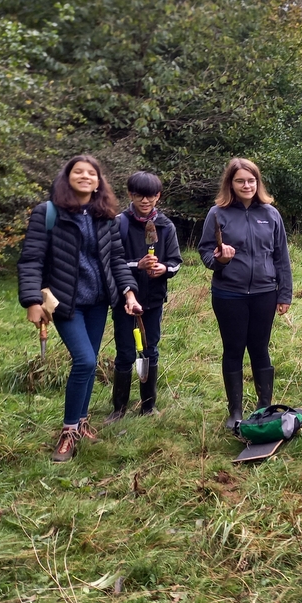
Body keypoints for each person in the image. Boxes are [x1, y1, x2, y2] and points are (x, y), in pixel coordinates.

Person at [18, 155, 142, 462]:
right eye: (78, 172)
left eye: (92, 173)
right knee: (85, 361)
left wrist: (128, 292)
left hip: (99, 302)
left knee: (89, 362)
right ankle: (68, 431)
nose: (85, 176)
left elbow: (115, 259)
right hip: (66, 304)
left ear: (99, 181)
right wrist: (32, 301)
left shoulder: (106, 217)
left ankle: (83, 420)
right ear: (67, 177)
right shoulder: (48, 214)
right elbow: (31, 259)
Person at [198, 158, 293, 429]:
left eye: (251, 180)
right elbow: (205, 251)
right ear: (231, 183)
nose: (246, 185)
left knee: (260, 349)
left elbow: (281, 256)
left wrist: (284, 293)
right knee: (234, 349)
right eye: (240, 181)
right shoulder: (217, 213)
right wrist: (221, 260)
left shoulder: (271, 214)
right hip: (229, 293)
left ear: (257, 182)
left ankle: (264, 407)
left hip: (264, 292)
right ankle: (235, 411)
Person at [106, 171, 182, 422]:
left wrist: (163, 270)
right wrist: (136, 265)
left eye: (151, 196)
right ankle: (119, 409)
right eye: (139, 195)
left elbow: (175, 263)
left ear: (158, 196)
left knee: (150, 351)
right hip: (125, 300)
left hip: (154, 300)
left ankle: (148, 406)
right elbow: (111, 262)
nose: (145, 201)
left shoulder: (165, 226)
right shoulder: (119, 223)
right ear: (130, 195)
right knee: (125, 352)